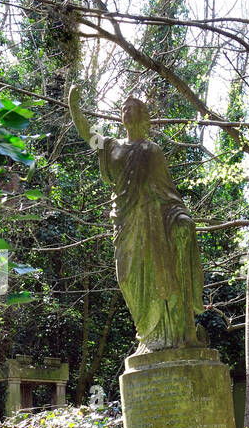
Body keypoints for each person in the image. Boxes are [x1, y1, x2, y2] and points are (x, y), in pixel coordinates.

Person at [68, 87, 204, 350]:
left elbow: (168, 193)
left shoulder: (152, 150)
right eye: (123, 108)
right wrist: (74, 106)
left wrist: (180, 218)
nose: (125, 111)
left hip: (151, 223)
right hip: (124, 223)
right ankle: (146, 333)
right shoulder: (112, 146)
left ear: (142, 116)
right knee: (127, 278)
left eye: (132, 107)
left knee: (158, 277)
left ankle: (164, 337)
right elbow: (88, 134)